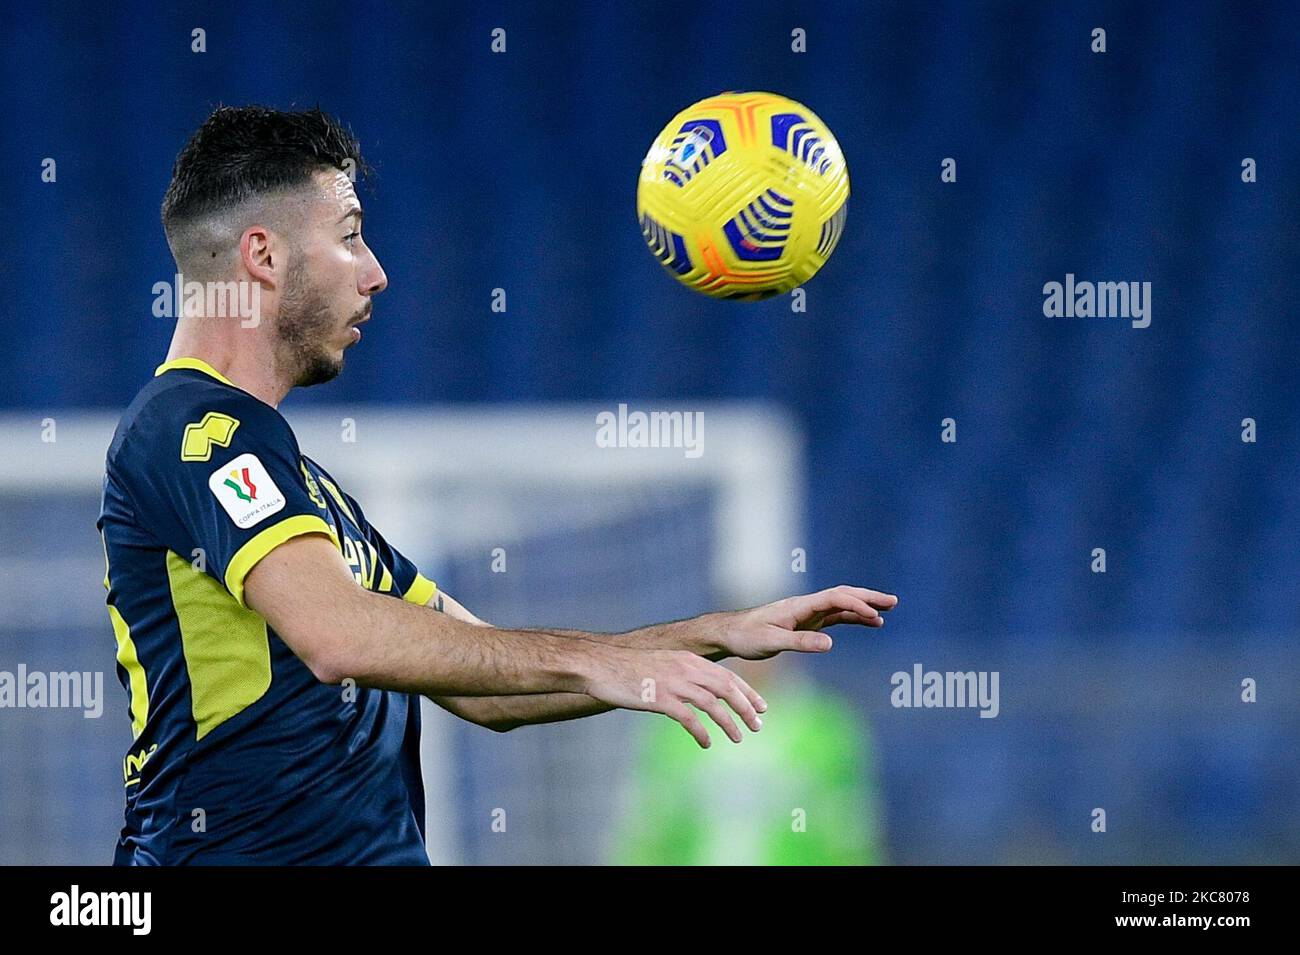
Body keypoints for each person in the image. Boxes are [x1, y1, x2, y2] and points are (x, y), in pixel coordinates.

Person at [98, 105, 898, 864]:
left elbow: (488, 692)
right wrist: (599, 665)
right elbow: (336, 634)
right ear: (263, 256)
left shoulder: (306, 490)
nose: (376, 272)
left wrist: (716, 632)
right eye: (350, 236)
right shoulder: (189, 429)